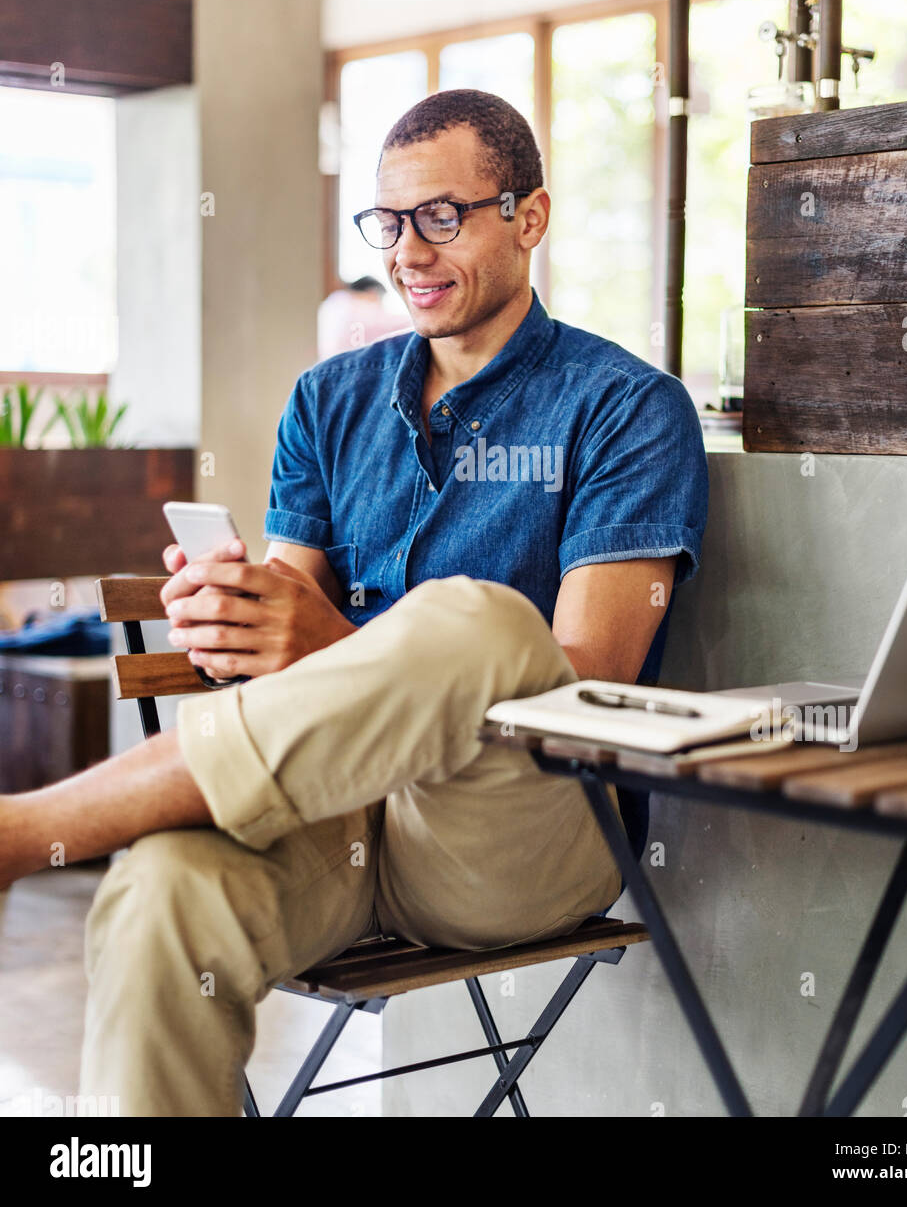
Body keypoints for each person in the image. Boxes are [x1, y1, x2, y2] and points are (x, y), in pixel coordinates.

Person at [0, 89, 708, 1116]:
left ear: (530, 217)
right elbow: (296, 637)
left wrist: (333, 638)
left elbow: (582, 684)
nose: (408, 252)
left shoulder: (626, 407)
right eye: (388, 223)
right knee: (161, 891)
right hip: (340, 822)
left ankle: (27, 830)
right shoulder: (328, 401)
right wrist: (237, 618)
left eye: (443, 216)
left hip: (516, 831)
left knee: (483, 621)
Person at [316, 274, 408, 358]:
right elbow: (390, 324)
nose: (380, 305)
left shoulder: (332, 303)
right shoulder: (354, 306)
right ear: (372, 292)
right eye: (380, 298)